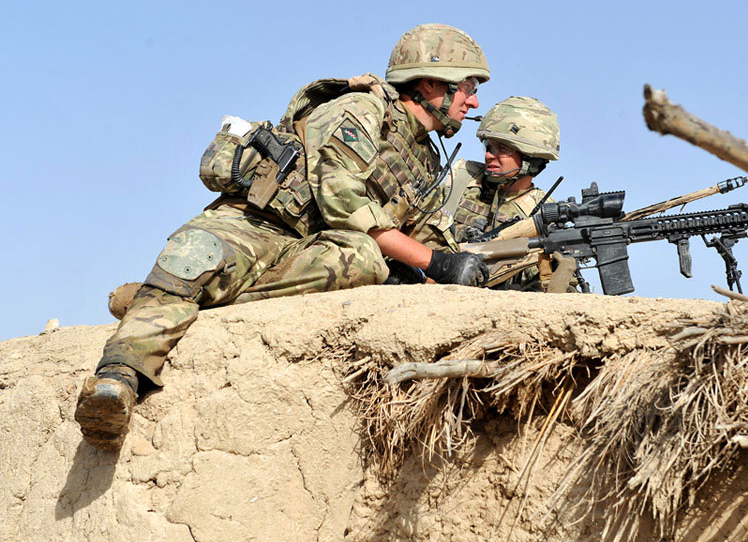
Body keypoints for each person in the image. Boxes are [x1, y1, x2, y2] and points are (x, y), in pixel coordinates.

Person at [76, 23, 491, 451]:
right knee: (192, 255)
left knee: (364, 259)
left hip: (306, 247)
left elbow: (418, 236)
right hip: (255, 222)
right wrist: (433, 263)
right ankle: (118, 380)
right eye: (467, 87)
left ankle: (183, 296)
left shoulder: (423, 160)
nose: (474, 101)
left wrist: (449, 268)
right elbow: (342, 202)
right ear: (429, 83)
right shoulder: (362, 111)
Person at [412, 96, 563, 290]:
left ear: (530, 158)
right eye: (489, 147)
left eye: (503, 149)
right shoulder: (461, 180)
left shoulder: (544, 213)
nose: (489, 155)